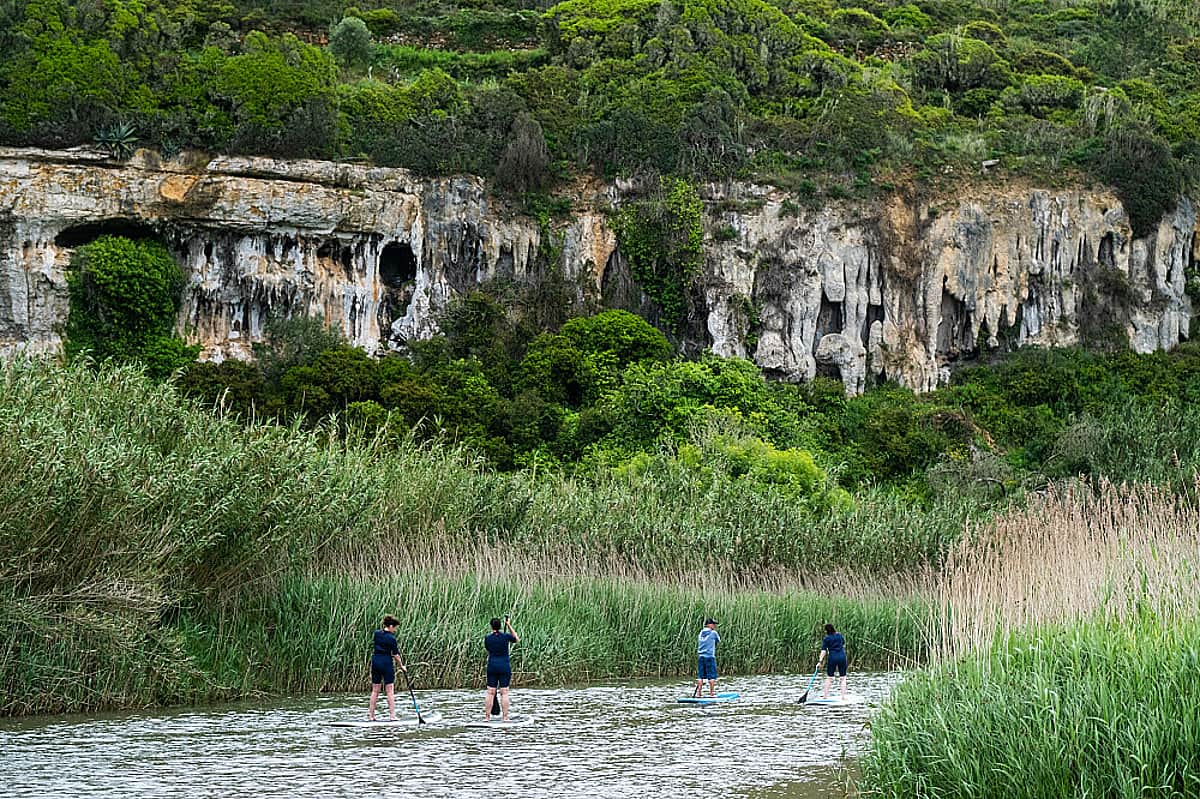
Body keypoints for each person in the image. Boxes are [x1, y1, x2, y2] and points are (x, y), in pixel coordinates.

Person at [368, 615, 408, 721]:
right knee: (389, 690)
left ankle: (371, 716)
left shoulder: (376, 634)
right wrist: (402, 666)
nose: (395, 630)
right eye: (394, 628)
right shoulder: (392, 638)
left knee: (375, 690)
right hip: (386, 663)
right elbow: (396, 655)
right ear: (390, 626)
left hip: (375, 661)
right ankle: (392, 716)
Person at [483, 615, 519, 721]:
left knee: (490, 692)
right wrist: (508, 625)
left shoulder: (488, 638)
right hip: (504, 666)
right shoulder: (506, 636)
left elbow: (488, 649)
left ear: (491, 627)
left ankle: (487, 717)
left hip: (492, 666)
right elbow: (516, 638)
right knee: (504, 692)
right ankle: (505, 717)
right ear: (500, 626)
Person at [817, 623, 847, 700]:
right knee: (843, 678)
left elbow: (823, 651)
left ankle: (825, 696)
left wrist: (820, 661)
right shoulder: (839, 635)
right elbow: (843, 643)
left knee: (829, 677)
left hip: (832, 658)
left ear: (826, 631)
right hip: (842, 657)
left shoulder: (826, 638)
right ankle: (843, 697)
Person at [694, 618, 720, 698]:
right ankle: (712, 694)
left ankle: (698, 694)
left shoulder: (701, 633)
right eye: (713, 624)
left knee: (700, 677)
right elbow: (718, 641)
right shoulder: (713, 633)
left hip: (701, 657)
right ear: (709, 625)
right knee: (711, 677)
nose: (714, 626)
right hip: (709, 657)